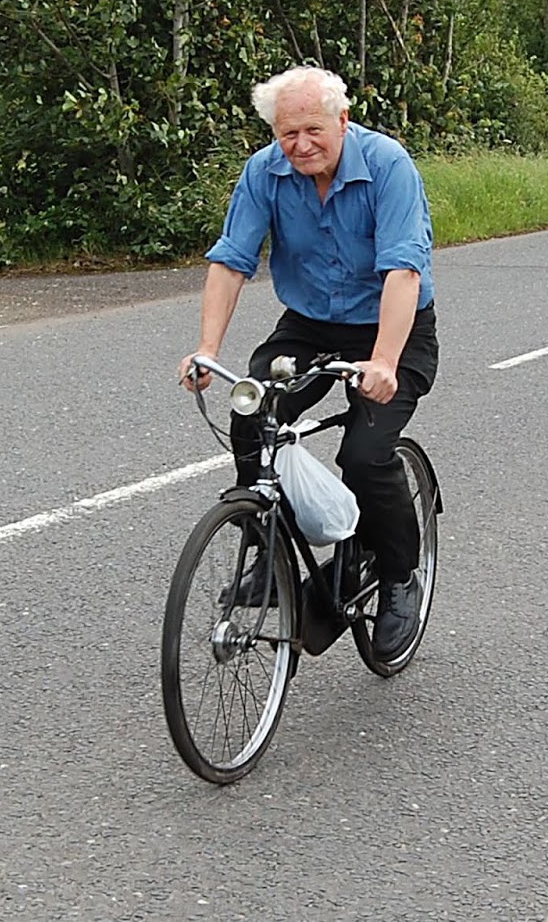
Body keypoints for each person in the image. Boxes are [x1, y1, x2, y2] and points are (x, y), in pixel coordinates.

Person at [178, 66, 439, 660]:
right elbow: (232, 260)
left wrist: (383, 363)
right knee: (250, 417)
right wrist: (207, 349)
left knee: (365, 457)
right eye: (286, 133)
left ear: (342, 121)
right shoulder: (264, 172)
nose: (299, 145)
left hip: (391, 327)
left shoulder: (388, 166)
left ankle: (399, 579)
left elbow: (402, 271)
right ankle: (268, 557)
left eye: (312, 130)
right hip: (309, 326)